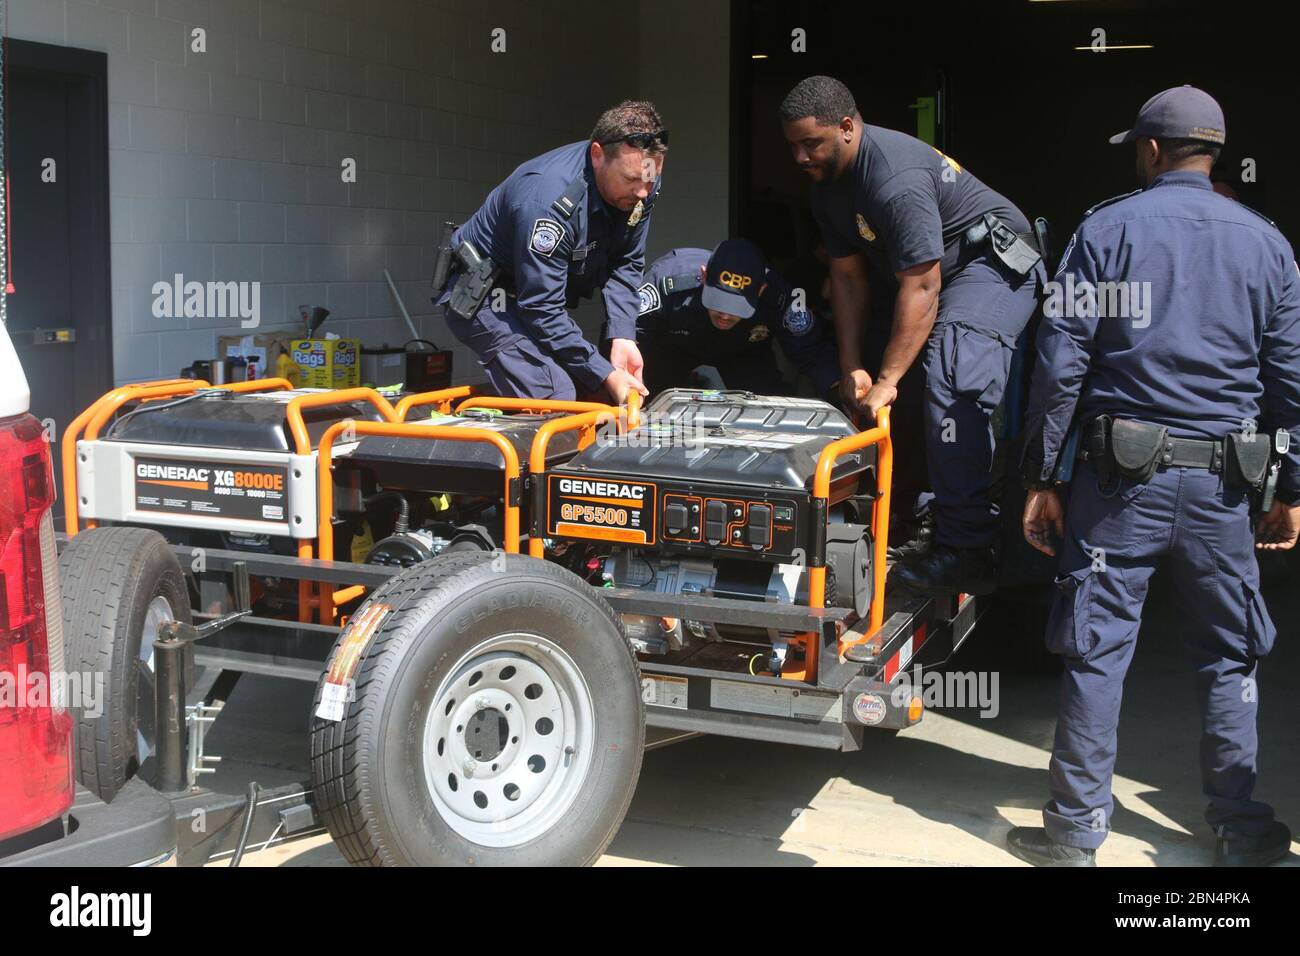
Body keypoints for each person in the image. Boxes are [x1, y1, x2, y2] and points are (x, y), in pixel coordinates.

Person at [1009, 86, 1300, 867]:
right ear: (1212, 153)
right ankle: (1241, 829)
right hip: (1224, 490)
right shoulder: (1268, 245)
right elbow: (1290, 381)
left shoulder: (1105, 231)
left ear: (1149, 150)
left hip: (1118, 488)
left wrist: (1044, 475)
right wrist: (1290, 487)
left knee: (1098, 651)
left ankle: (1075, 832)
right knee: (1228, 657)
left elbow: (1059, 360)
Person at [779, 75, 1044, 595]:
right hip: (931, 272)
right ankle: (929, 518)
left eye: (812, 143)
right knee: (897, 383)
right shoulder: (828, 191)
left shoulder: (892, 180)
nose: (800, 157)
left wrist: (887, 378)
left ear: (848, 128)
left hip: (990, 265)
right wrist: (853, 368)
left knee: (951, 367)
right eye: (793, 146)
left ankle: (969, 550)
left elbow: (922, 285)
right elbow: (849, 280)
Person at [433, 101, 665, 403]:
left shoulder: (641, 177)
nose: (643, 193)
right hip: (483, 296)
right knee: (555, 394)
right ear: (597, 155)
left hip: (534, 298)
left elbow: (626, 261)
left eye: (650, 179)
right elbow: (541, 308)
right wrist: (606, 373)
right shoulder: (548, 201)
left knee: (592, 388)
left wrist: (623, 335)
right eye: (631, 180)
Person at [635, 239, 839, 397]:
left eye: (735, 308)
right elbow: (629, 336)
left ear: (760, 291)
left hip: (743, 352)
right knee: (643, 402)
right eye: (719, 302)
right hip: (673, 349)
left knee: (768, 410)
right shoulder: (667, 280)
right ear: (704, 277)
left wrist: (837, 389)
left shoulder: (780, 298)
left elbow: (812, 352)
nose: (724, 315)